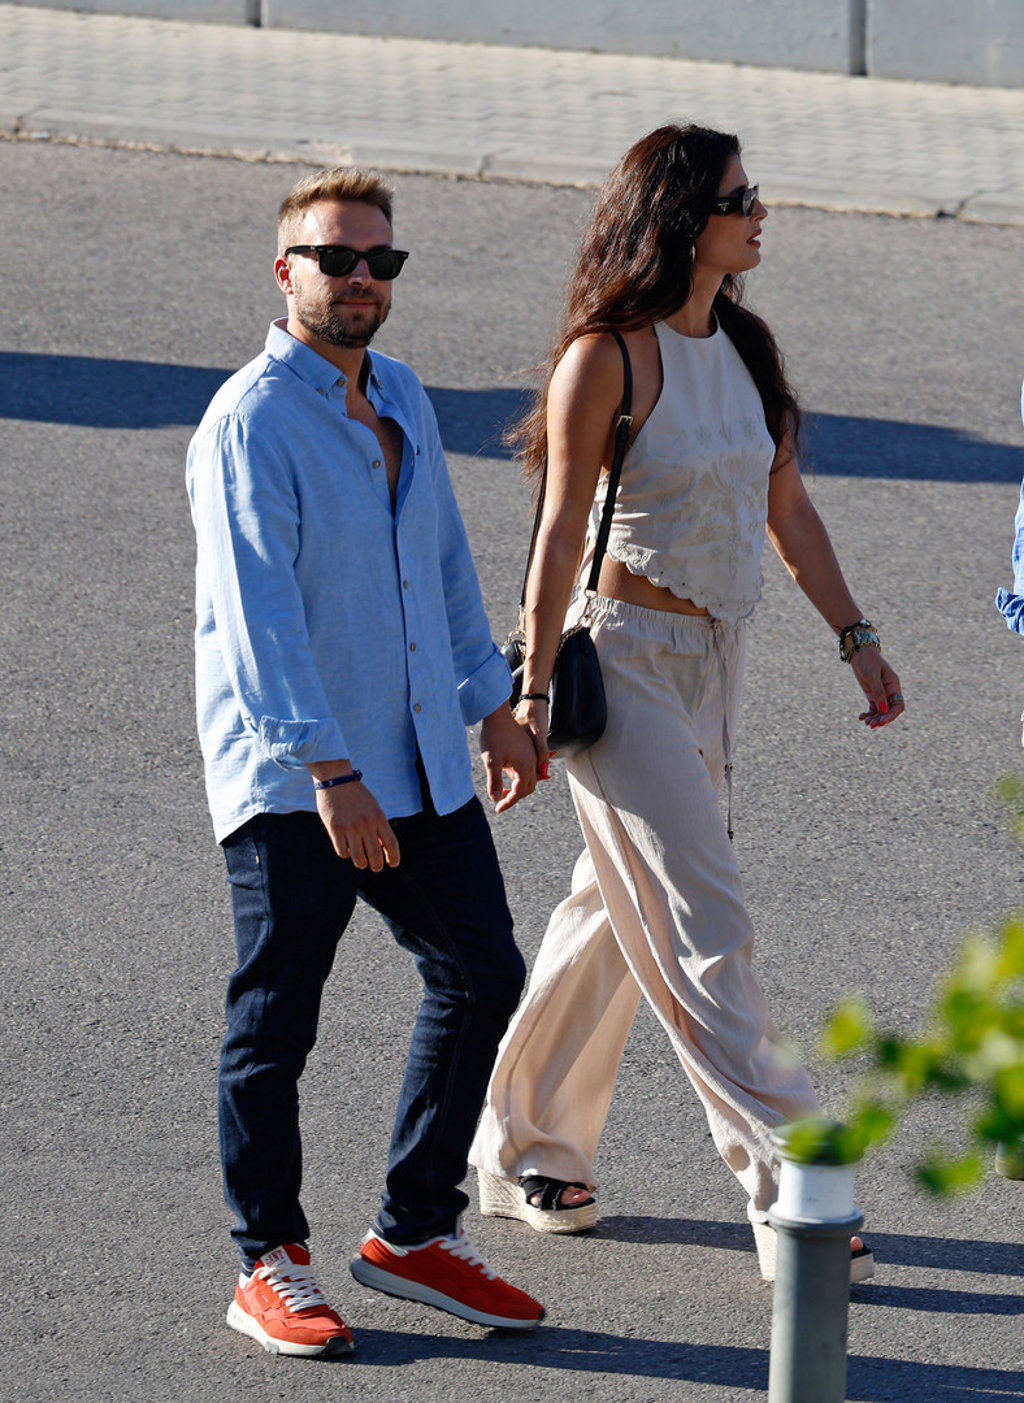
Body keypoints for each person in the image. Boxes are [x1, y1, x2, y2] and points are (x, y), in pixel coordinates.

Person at [469, 123, 905, 1283]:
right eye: (738, 196)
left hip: (722, 656)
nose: (760, 211)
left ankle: (522, 1147)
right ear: (678, 219)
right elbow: (558, 529)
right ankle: (791, 1182)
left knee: (612, 912)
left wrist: (855, 635)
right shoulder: (606, 356)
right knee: (707, 920)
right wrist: (528, 692)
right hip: (624, 663)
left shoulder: (745, 345)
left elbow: (787, 507)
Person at [186, 167, 545, 1358]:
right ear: (284, 271)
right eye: (335, 259)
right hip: (301, 774)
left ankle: (411, 1232)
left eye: (379, 262)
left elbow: (438, 564)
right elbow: (257, 620)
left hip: (416, 758)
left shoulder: (400, 393)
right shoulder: (250, 420)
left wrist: (488, 704)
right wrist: (329, 773)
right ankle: (268, 1260)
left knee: (483, 972)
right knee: (277, 1017)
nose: (359, 280)